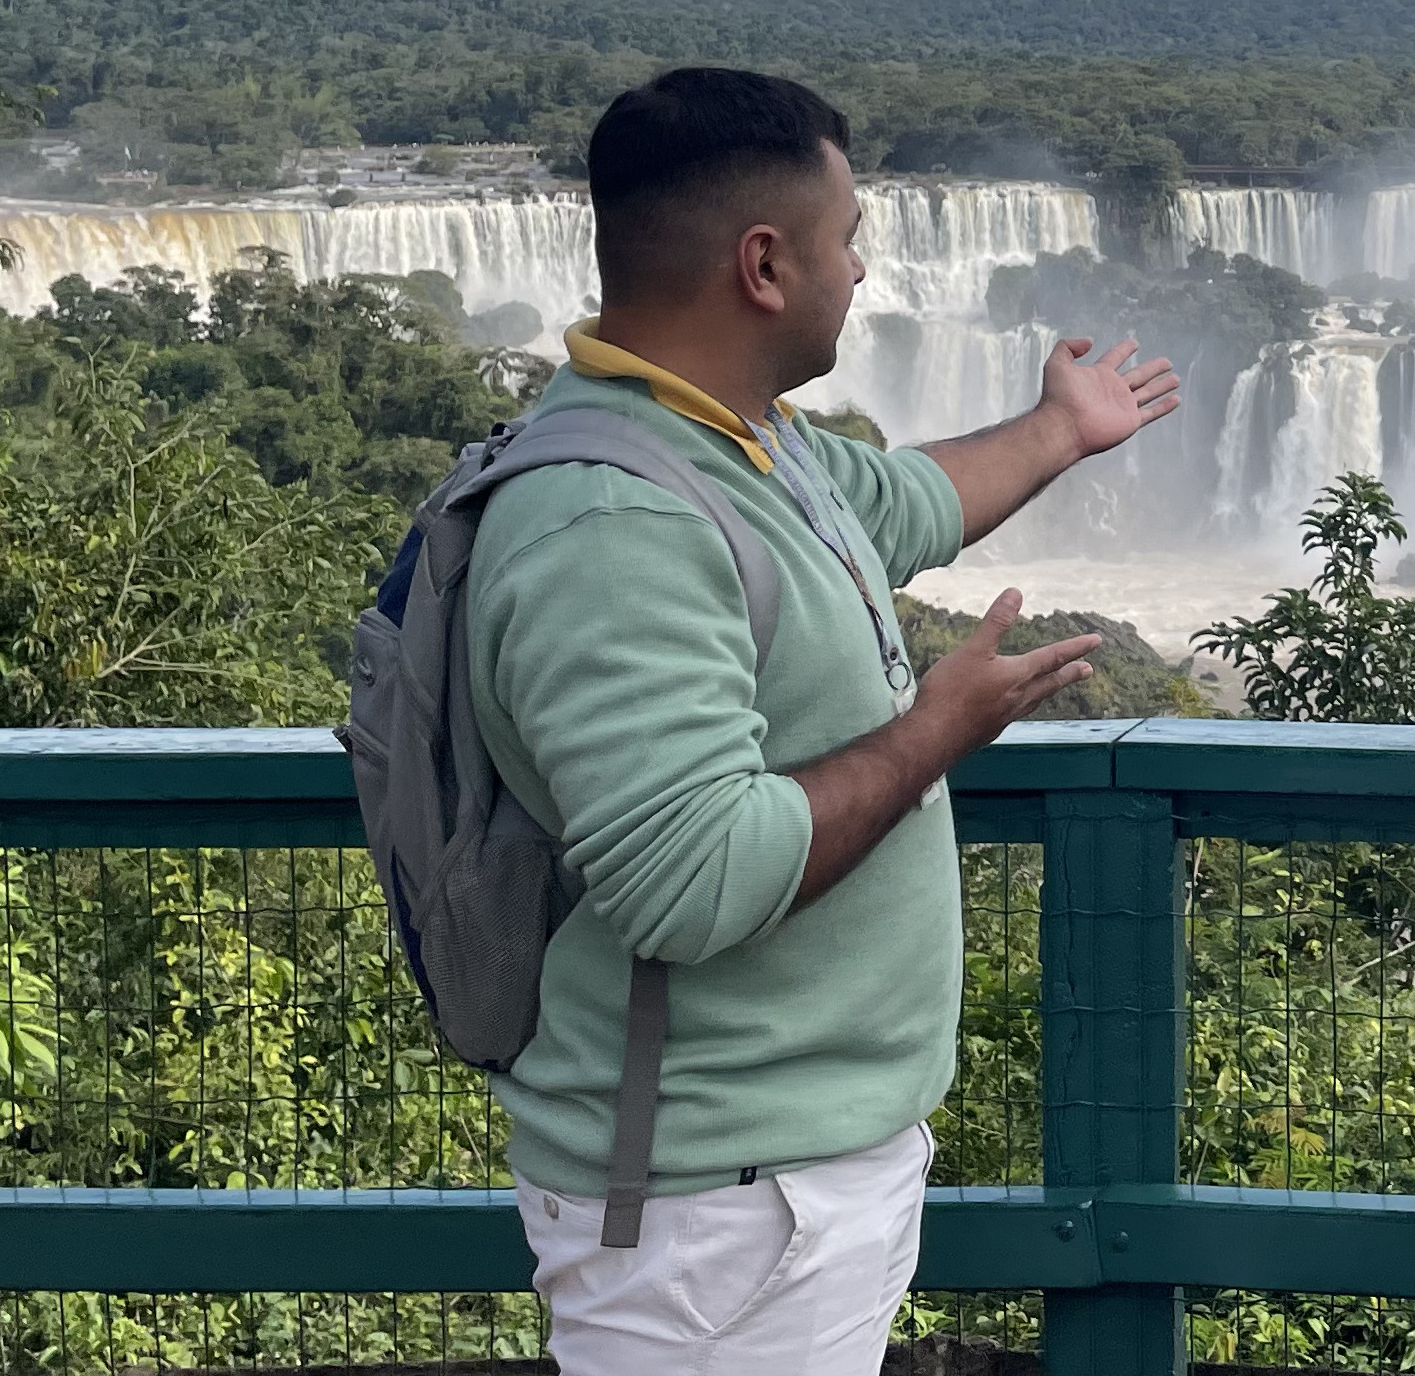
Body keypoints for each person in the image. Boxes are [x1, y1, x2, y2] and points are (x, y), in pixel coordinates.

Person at [463, 67, 1181, 1374]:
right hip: (714, 1215)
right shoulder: (613, 520)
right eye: (847, 238)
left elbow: (904, 503)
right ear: (764, 263)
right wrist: (938, 730)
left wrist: (1059, 430)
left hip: (780, 1184)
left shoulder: (740, 440)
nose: (861, 270)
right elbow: (690, 880)